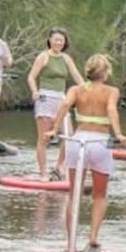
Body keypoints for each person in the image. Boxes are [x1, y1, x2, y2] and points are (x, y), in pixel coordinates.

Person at [45, 55, 126, 252]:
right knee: (99, 195)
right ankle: (92, 239)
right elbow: (111, 109)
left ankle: (70, 243)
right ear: (106, 72)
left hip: (77, 140)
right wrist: (118, 134)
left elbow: (65, 106)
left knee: (75, 194)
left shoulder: (75, 90)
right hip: (100, 141)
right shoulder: (111, 91)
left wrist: (55, 129)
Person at [26, 27, 84, 181]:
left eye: (61, 40)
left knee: (70, 136)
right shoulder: (43, 57)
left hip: (62, 99)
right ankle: (44, 172)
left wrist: (87, 90)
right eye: (56, 39)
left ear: (65, 42)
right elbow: (31, 77)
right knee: (44, 138)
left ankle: (60, 165)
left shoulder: (65, 58)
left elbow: (77, 76)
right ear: (50, 40)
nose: (58, 42)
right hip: (45, 98)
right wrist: (34, 91)